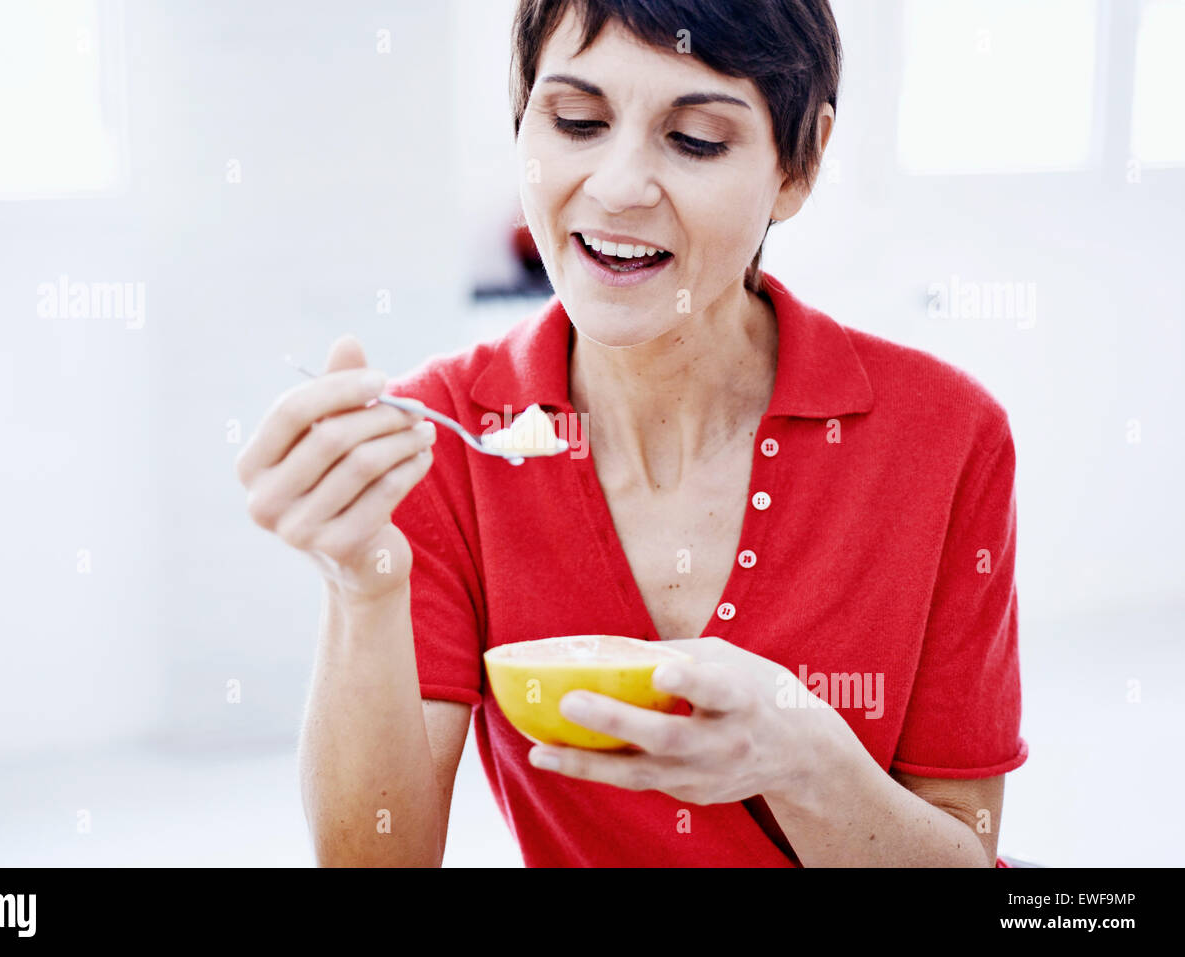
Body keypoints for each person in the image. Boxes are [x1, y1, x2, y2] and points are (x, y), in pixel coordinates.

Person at [235, 0, 1027, 867]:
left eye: (694, 140)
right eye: (578, 121)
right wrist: (363, 589)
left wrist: (805, 762)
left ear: (800, 166)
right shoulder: (453, 438)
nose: (616, 187)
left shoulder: (945, 436)